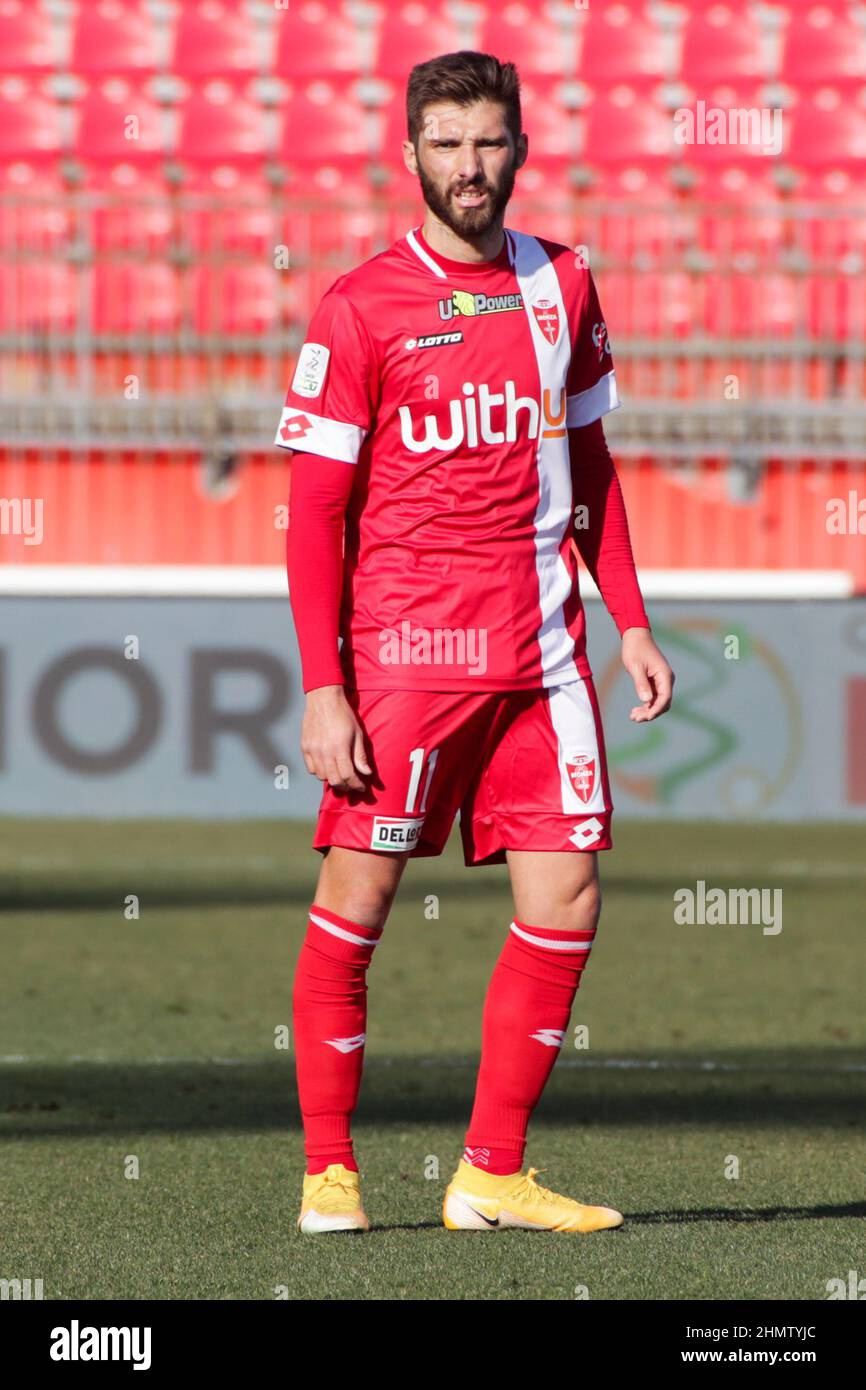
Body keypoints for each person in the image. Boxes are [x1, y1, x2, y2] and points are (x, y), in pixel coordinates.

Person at [275, 50, 674, 1235]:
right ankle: (330, 1172)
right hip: (403, 657)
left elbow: (589, 463)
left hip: (542, 652)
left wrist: (631, 619)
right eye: (445, 143)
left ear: (520, 149)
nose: (468, 165)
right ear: (410, 156)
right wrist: (321, 686)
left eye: (488, 141)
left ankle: (489, 1172)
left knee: (567, 898)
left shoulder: (563, 282)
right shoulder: (356, 305)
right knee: (358, 898)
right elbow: (313, 512)